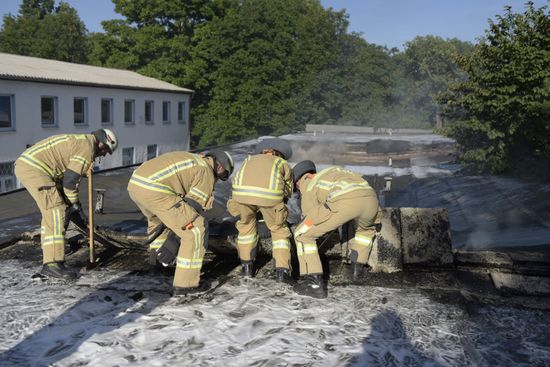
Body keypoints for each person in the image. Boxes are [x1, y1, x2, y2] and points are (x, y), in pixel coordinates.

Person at [14, 129, 118, 280]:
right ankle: (53, 264)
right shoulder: (86, 148)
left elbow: (66, 183)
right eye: (106, 150)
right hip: (35, 169)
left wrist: (76, 207)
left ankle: (50, 257)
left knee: (52, 212)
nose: (104, 155)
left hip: (35, 168)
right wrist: (74, 206)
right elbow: (70, 183)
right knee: (56, 210)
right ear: (102, 142)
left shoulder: (82, 141)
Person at [127, 150, 234, 295]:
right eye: (220, 177)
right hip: (156, 189)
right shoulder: (206, 171)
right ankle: (186, 285)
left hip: (136, 184)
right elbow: (192, 208)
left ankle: (157, 265)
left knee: (159, 222)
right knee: (196, 229)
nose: (216, 181)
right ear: (220, 167)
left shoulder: (193, 159)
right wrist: (174, 240)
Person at [291, 160, 380, 298]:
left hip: (346, 201)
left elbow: (309, 217)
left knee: (302, 234)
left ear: (303, 178)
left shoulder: (308, 183)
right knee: (365, 231)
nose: (298, 189)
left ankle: (314, 284)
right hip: (371, 200)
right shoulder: (334, 172)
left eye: (296, 186)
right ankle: (358, 271)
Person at [226, 138, 294, 283]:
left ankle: (246, 268)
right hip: (270, 197)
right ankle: (282, 272)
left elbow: (237, 179)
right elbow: (288, 189)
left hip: (241, 196)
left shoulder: (249, 159)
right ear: (279, 154)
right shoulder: (281, 163)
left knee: (245, 229)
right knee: (278, 230)